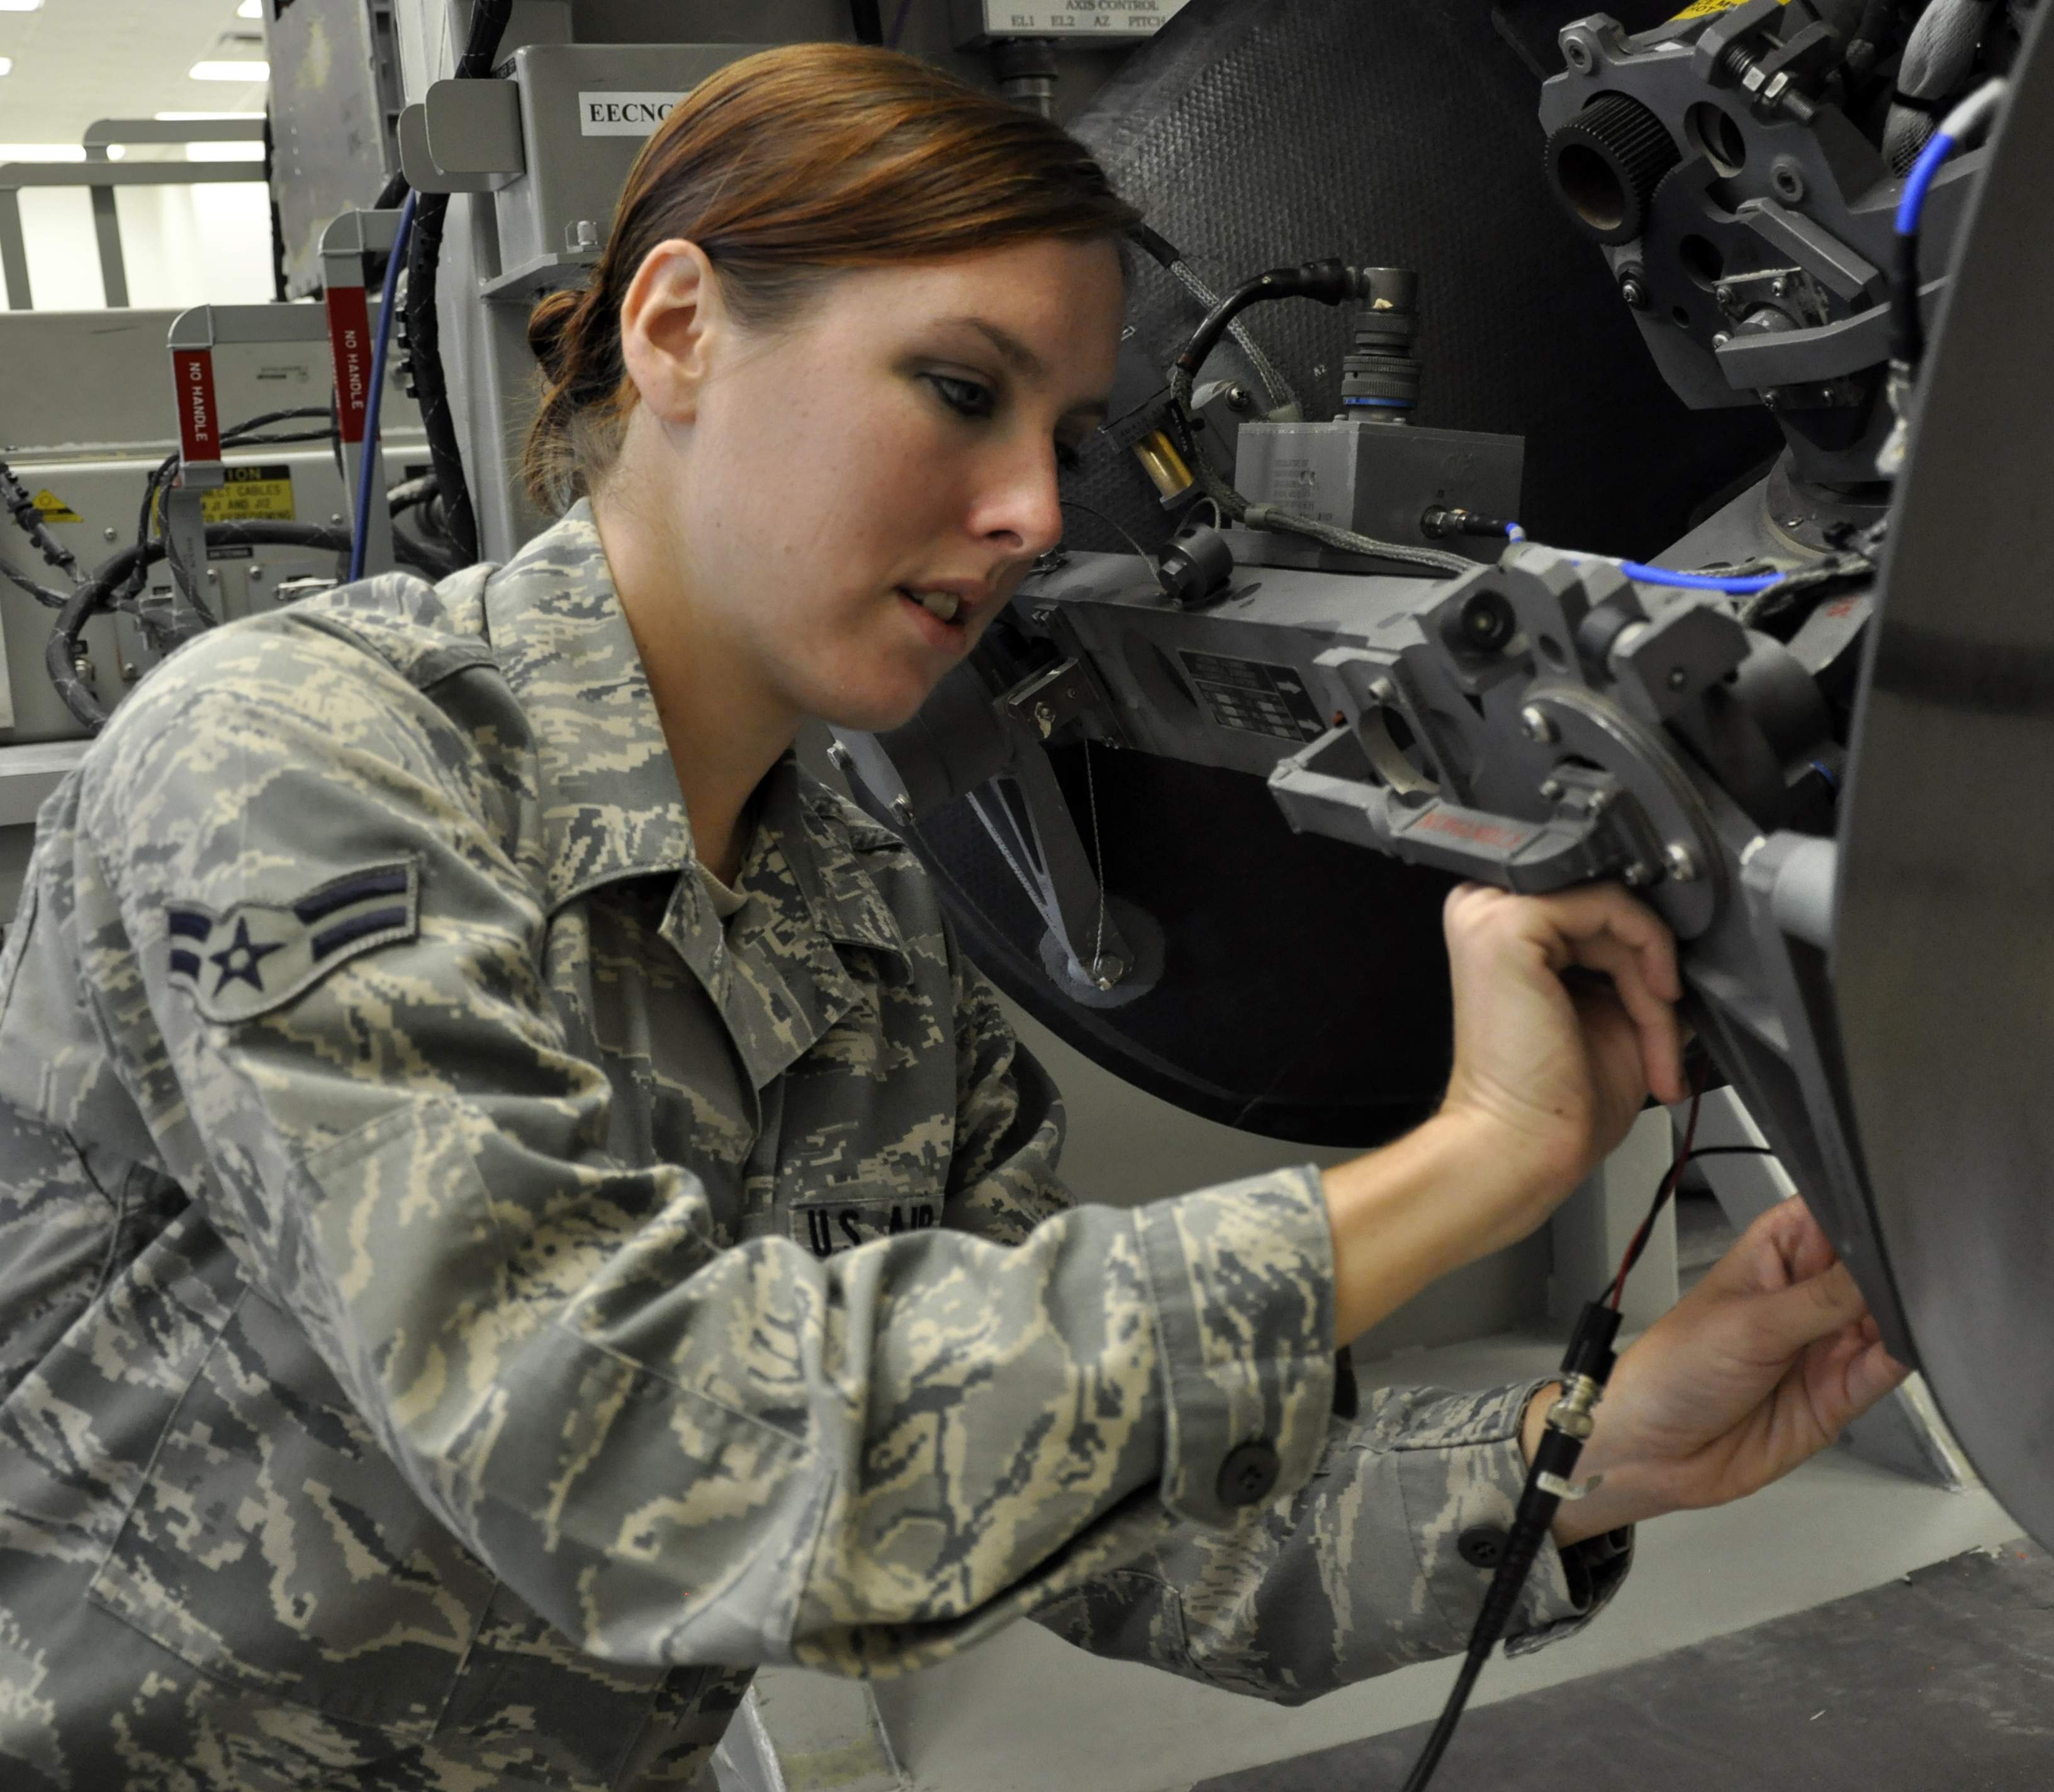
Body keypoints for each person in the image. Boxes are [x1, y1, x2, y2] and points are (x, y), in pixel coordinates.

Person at [0, 42, 1905, 1792]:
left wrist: (1578, 1455)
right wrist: (1472, 1165)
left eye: (1063, 434)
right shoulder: (300, 759)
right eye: (957, 389)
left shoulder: (865, 940)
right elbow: (628, 1462)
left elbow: (1095, 1514)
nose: (1021, 509)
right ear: (678, 329)